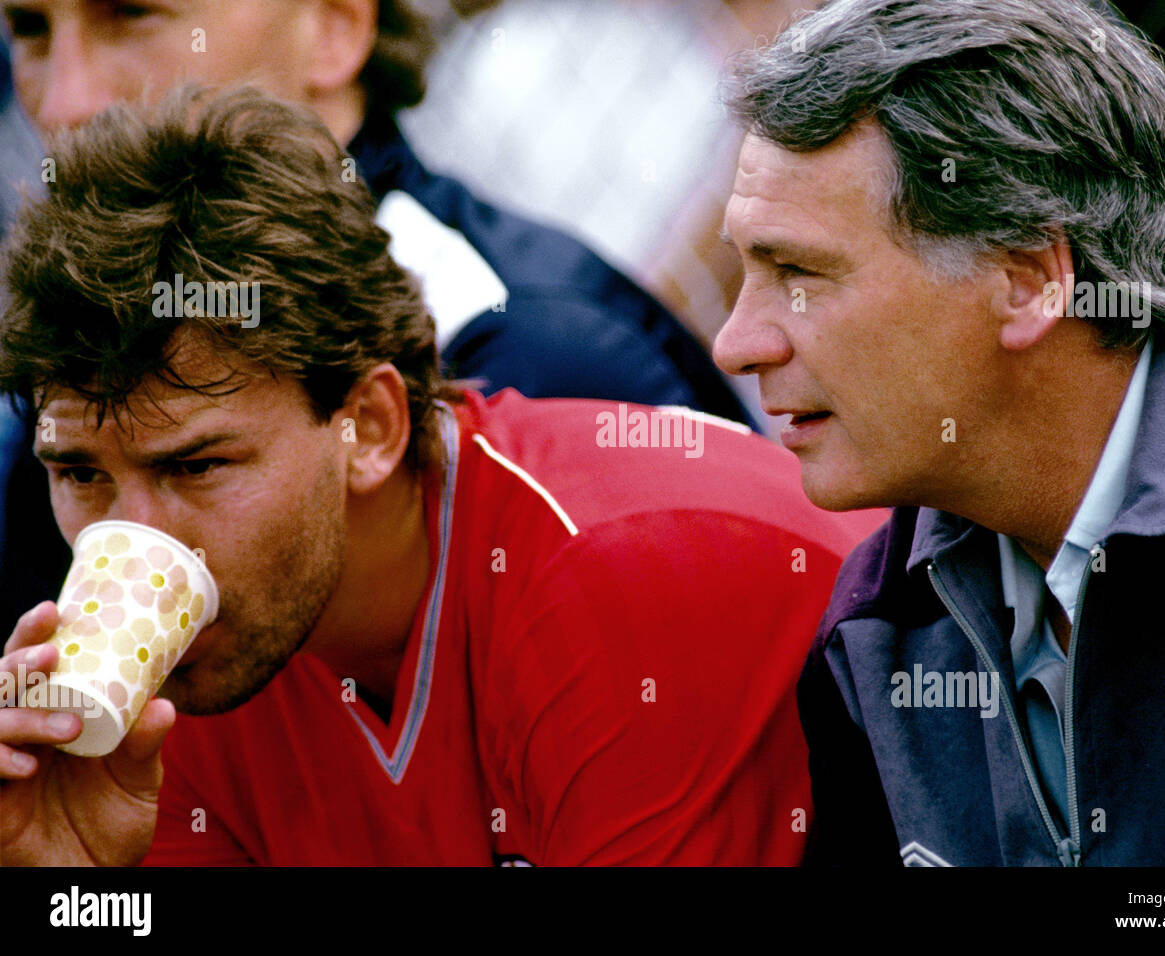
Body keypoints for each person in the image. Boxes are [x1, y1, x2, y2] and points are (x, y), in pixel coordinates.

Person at [0, 85, 885, 865]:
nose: (137, 536)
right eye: (79, 474)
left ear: (372, 426)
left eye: (197, 464)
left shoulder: (613, 573)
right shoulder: (200, 664)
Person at [712, 0, 1165, 866]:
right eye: (744, 269)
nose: (736, 344)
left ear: (1026, 280)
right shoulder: (880, 626)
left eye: (798, 273)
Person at [0, 0, 757, 638]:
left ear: (333, 26)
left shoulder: (529, 355)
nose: (66, 102)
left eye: (132, 15)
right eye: (30, 30)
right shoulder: (70, 376)